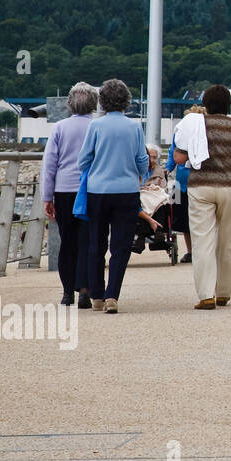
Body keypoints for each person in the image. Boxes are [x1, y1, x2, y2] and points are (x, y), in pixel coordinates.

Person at [175, 84, 231, 310]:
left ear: (206, 103)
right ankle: (223, 292)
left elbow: (178, 158)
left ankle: (206, 295)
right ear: (229, 105)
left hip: (201, 187)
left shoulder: (197, 125)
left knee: (202, 241)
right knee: (226, 241)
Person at [76, 79, 149, 314]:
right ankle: (112, 296)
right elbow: (142, 160)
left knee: (96, 243)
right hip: (127, 191)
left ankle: (96, 294)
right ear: (126, 101)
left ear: (102, 102)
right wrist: (141, 173)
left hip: (98, 191)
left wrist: (95, 168)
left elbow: (83, 159)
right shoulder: (134, 127)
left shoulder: (96, 127)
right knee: (121, 246)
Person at [41, 81, 99, 307]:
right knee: (87, 241)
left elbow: (49, 165)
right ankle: (85, 289)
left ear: (69, 104)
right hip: (91, 189)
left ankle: (67, 292)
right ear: (94, 104)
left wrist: (47, 197)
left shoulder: (59, 128)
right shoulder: (97, 126)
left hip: (63, 190)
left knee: (67, 241)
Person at [166, 106, 203, 263]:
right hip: (181, 184)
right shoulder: (179, 134)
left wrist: (168, 167)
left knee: (194, 219)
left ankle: (195, 251)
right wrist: (166, 170)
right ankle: (191, 251)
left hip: (190, 182)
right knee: (182, 220)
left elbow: (172, 154)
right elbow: (172, 153)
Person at [136, 145, 168, 237]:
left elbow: (164, 188)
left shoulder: (160, 171)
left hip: (155, 197)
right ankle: (141, 236)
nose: (152, 160)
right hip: (141, 195)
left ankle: (159, 231)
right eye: (150, 156)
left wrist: (152, 189)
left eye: (154, 157)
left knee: (161, 202)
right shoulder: (138, 169)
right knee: (141, 201)